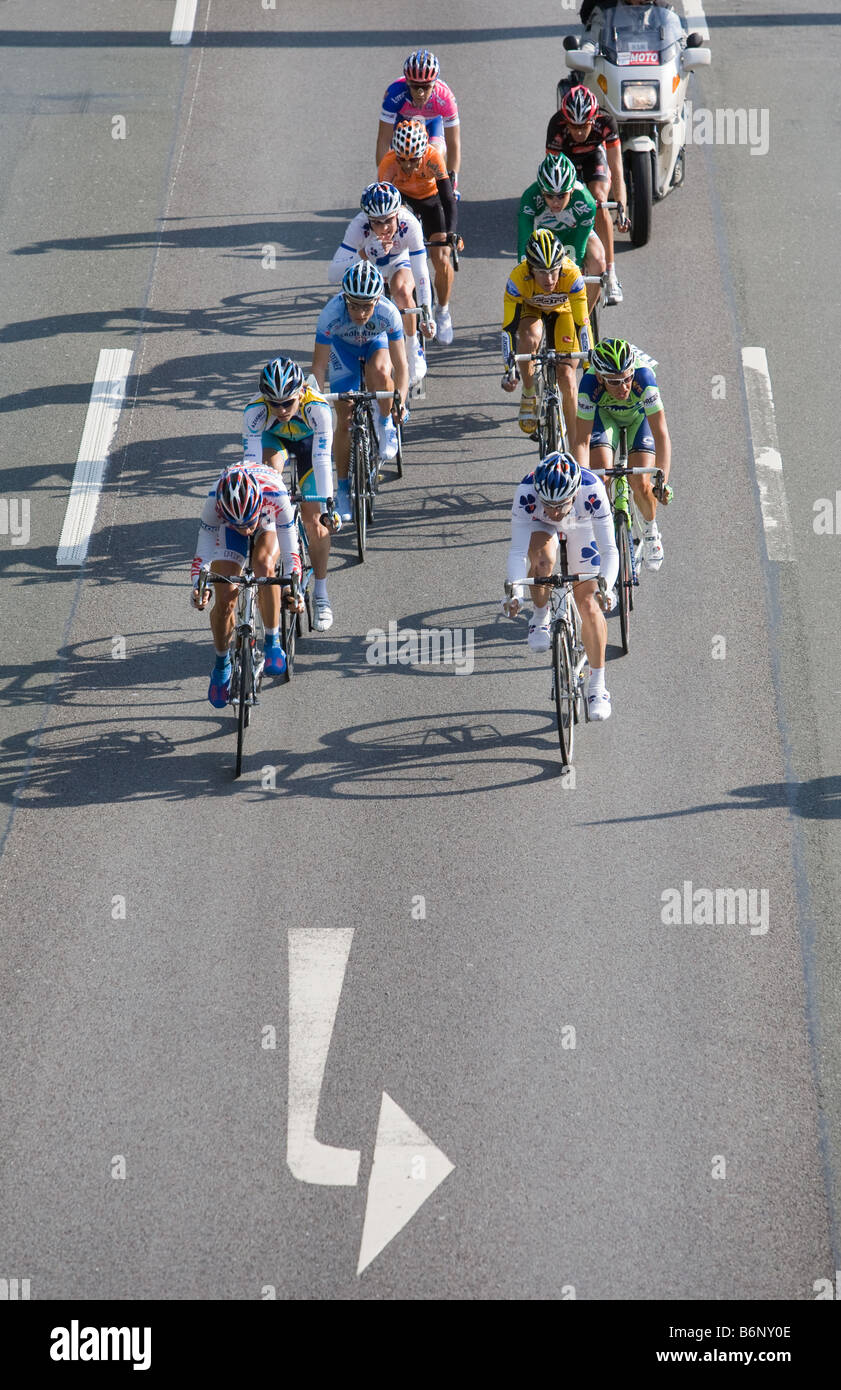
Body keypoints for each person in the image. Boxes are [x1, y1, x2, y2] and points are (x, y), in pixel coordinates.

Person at [503, 451, 617, 720]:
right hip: (541, 527)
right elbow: (518, 551)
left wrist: (607, 587)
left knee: (589, 604)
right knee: (542, 563)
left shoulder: (592, 489)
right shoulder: (526, 492)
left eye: (560, 504)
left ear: (574, 492)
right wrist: (516, 593)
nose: (554, 511)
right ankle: (540, 616)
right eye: (548, 503)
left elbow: (610, 550)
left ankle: (598, 686)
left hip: (581, 524)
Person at [190, 463, 302, 708]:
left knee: (264, 566)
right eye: (241, 525)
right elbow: (204, 551)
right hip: (226, 527)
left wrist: (296, 588)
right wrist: (199, 586)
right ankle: (221, 666)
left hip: (268, 518)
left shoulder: (275, 495)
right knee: (225, 600)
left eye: (248, 523)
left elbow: (290, 549)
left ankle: (273, 642)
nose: (246, 529)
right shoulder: (214, 502)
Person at [242, 357, 341, 632]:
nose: (282, 409)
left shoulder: (317, 408)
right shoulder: (254, 412)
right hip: (276, 442)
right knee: (270, 470)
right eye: (275, 403)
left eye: (288, 402)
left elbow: (321, 461)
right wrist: (259, 508)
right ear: (265, 399)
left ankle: (321, 594)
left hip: (311, 448)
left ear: (300, 392)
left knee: (315, 523)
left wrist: (327, 506)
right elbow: (251, 467)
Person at [573, 337, 672, 570]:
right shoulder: (588, 385)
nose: (624, 387)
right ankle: (608, 528)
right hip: (604, 418)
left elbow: (661, 435)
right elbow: (581, 441)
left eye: (627, 379)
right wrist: (582, 482)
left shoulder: (645, 379)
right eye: (615, 382)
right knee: (600, 478)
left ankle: (650, 532)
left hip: (639, 418)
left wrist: (662, 480)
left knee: (641, 483)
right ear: (600, 377)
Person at [328, 181, 434, 386]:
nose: (384, 228)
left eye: (388, 221)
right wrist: (365, 254)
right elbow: (333, 274)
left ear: (397, 214)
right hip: (371, 266)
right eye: (376, 222)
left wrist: (427, 311)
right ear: (368, 219)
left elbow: (420, 270)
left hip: (399, 262)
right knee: (361, 302)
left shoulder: (409, 224)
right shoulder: (359, 226)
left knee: (402, 292)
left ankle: (413, 349)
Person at [311, 261, 409, 473]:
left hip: (375, 343)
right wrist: (318, 406)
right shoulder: (330, 314)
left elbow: (401, 365)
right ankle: (345, 492)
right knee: (344, 421)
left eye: (367, 306)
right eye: (354, 305)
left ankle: (384, 423)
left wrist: (399, 402)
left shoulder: (389, 313)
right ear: (344, 299)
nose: (361, 313)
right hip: (343, 350)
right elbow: (318, 367)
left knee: (381, 372)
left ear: (377, 300)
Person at [500, 228, 592, 441]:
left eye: (554, 271)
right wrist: (509, 369)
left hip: (564, 310)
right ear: (530, 269)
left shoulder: (572, 274)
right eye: (541, 272)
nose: (549, 279)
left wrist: (589, 365)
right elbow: (508, 329)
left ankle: (576, 446)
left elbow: (583, 324)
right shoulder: (517, 278)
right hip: (532, 310)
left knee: (567, 375)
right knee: (530, 337)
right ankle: (529, 391)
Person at [546, 84, 629, 305]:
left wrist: (621, 206)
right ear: (566, 121)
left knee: (599, 201)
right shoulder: (556, 124)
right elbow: (551, 169)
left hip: (595, 159)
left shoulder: (606, 122)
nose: (580, 132)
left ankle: (611, 275)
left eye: (585, 126)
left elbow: (617, 168)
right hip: (567, 161)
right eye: (574, 127)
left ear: (594, 119)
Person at [378, 119, 458, 344]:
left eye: (414, 161)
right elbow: (384, 203)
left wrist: (451, 233)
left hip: (431, 201)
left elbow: (448, 198)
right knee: (398, 243)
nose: (408, 167)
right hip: (402, 202)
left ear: (422, 153)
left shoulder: (433, 157)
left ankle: (442, 310)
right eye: (403, 160)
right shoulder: (388, 164)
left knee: (442, 258)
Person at [517, 153, 605, 314]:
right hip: (544, 239)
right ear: (541, 191)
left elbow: (579, 244)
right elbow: (524, 238)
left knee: (598, 261)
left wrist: (572, 272)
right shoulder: (530, 196)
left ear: (571, 191)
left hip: (574, 234)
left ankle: (584, 317)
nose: (555, 202)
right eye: (549, 196)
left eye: (561, 196)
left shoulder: (586, 201)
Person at [375, 49, 460, 191]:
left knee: (435, 154)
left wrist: (452, 180)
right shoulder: (395, 93)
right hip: (403, 123)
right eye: (415, 86)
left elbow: (453, 144)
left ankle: (428, 187)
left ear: (434, 84)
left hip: (432, 123)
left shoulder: (445, 98)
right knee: (398, 157)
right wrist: (382, 179)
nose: (420, 93)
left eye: (426, 87)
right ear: (407, 83)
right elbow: (383, 140)